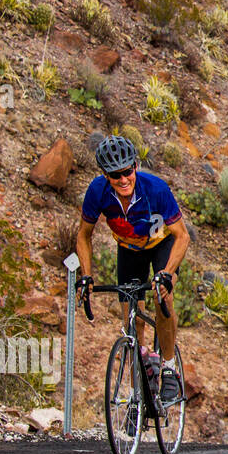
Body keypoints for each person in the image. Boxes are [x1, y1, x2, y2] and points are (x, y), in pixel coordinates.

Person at [76, 135, 190, 413]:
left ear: (136, 166)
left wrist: (166, 273)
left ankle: (168, 366)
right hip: (128, 250)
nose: (123, 178)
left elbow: (182, 236)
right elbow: (83, 235)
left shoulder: (156, 189)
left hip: (160, 245)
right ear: (105, 175)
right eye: (115, 175)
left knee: (162, 298)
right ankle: (140, 388)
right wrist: (86, 276)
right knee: (131, 315)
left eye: (128, 171)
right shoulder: (97, 192)